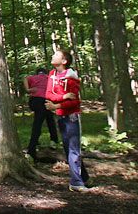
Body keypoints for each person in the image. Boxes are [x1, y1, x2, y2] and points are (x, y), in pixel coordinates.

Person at [45, 49, 91, 191]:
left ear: (64, 61)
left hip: (72, 117)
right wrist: (62, 98)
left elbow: (75, 102)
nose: (53, 56)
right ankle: (83, 177)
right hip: (60, 116)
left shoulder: (72, 78)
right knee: (69, 149)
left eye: (56, 55)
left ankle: (76, 183)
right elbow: (48, 94)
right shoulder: (52, 74)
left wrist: (55, 104)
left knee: (73, 150)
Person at [24, 66, 58, 159]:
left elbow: (25, 78)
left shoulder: (33, 77)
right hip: (47, 100)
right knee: (48, 120)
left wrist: (28, 90)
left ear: (38, 72)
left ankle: (33, 149)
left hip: (36, 101)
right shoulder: (49, 78)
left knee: (40, 122)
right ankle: (53, 142)